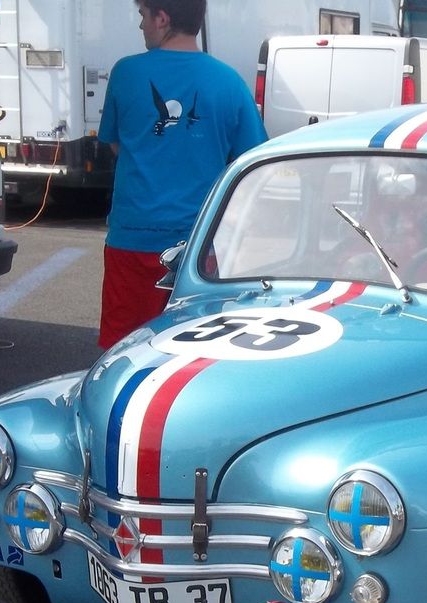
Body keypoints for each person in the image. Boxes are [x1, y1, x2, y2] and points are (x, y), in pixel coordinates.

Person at [97, 0, 267, 349]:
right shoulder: (229, 81)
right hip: (201, 246)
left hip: (133, 239)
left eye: (143, 15)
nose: (141, 25)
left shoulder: (126, 73)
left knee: (124, 349)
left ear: (162, 18)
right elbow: (253, 161)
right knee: (195, 348)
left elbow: (115, 144)